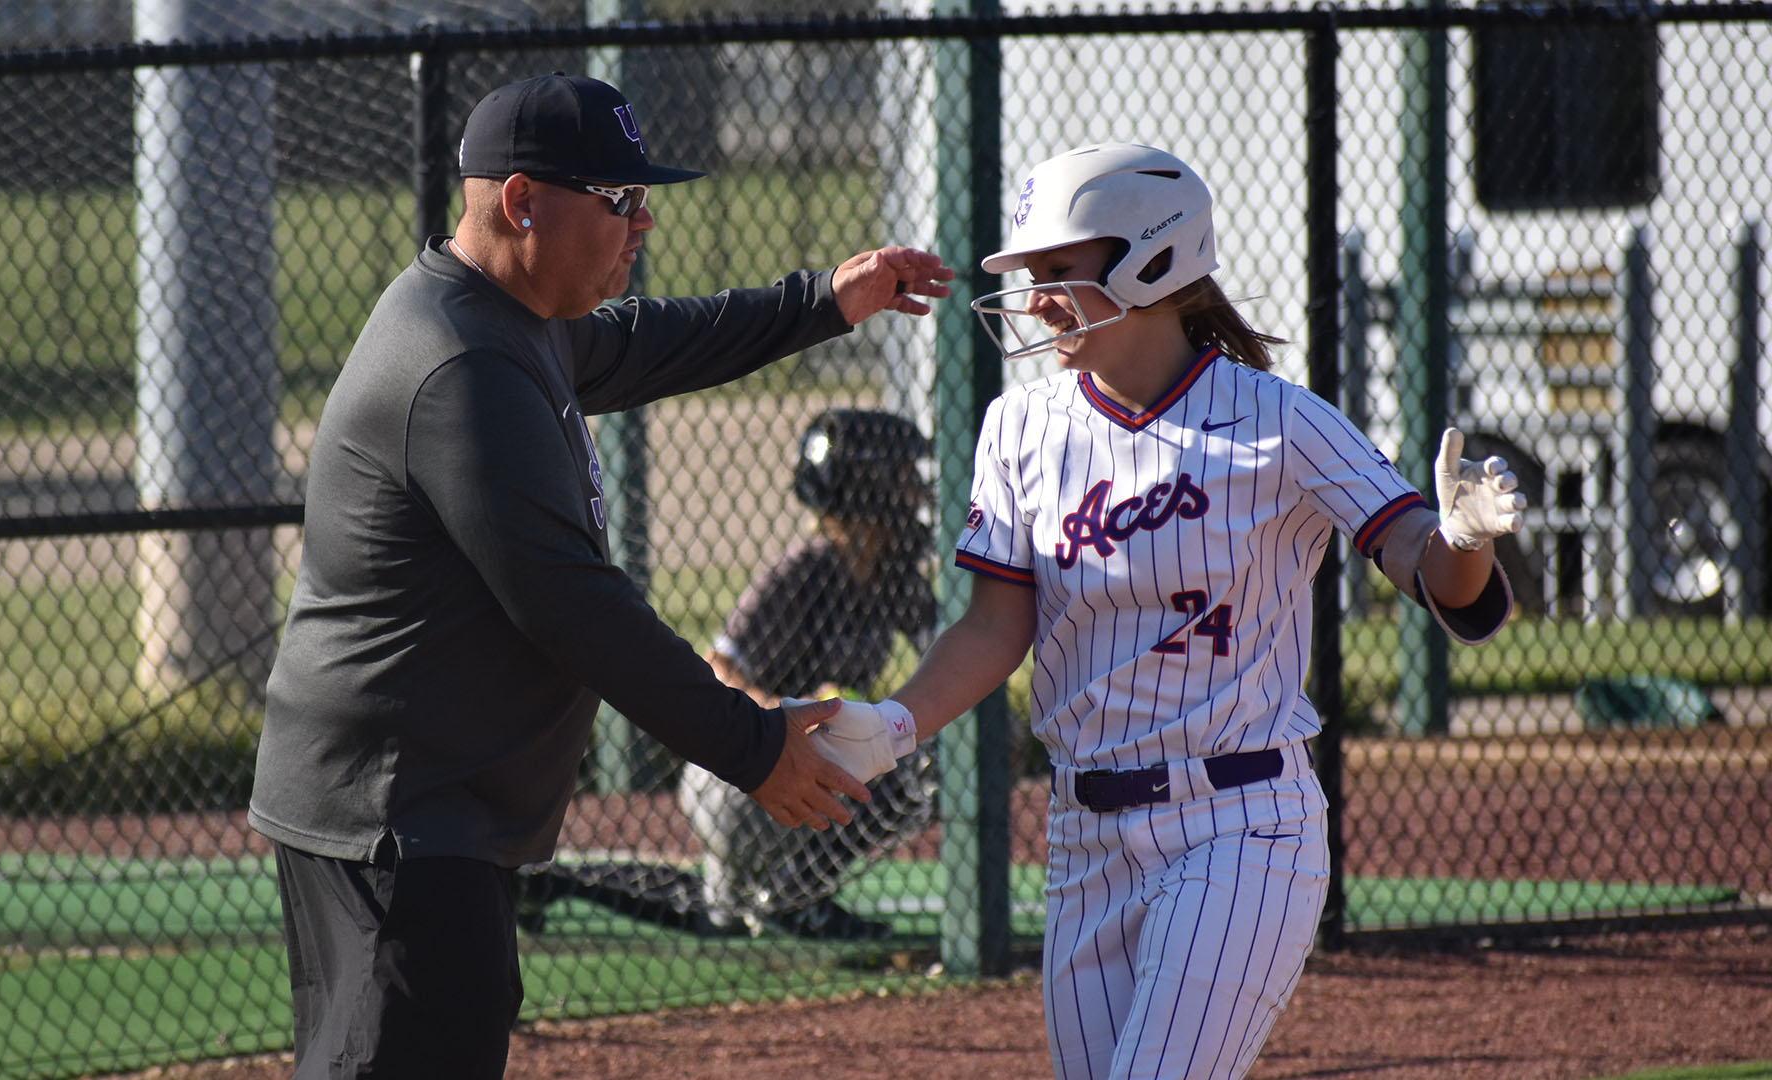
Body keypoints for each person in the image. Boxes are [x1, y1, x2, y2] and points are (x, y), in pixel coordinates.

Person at [247, 71, 953, 1079]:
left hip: (424, 812)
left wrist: (823, 304)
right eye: (619, 200)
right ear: (522, 200)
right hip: (397, 820)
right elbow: (574, 609)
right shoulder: (461, 365)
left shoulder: (507, 321)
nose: (644, 220)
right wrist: (754, 748)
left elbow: (653, 339)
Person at [806, 143, 1525, 1080]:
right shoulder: (1021, 425)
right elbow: (994, 626)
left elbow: (1434, 580)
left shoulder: (1279, 419)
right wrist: (896, 724)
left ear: (1153, 256)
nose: (1034, 300)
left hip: (1240, 825)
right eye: (1030, 275)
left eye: (1058, 270)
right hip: (1084, 839)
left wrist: (1465, 543)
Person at [523, 408, 939, 940]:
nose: (918, 496)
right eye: (903, 478)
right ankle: (561, 884)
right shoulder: (802, 575)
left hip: (804, 765)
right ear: (868, 484)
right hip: (737, 769)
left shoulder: (894, 576)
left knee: (923, 759)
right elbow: (718, 669)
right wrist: (783, 714)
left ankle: (796, 898)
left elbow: (938, 655)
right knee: (724, 914)